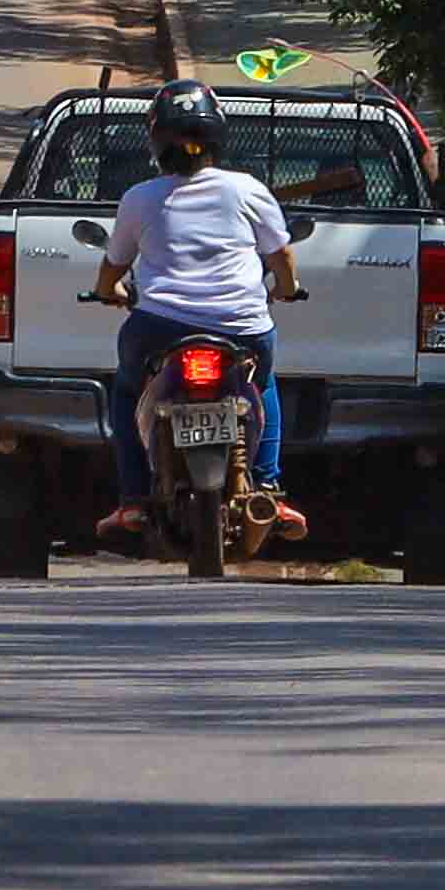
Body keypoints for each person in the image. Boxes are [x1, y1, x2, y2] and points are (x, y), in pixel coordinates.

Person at [90, 85, 305, 547]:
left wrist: (107, 292)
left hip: (158, 327)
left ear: (156, 141)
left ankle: (132, 498)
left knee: (126, 391)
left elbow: (114, 265)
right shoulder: (248, 189)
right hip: (243, 327)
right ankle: (269, 487)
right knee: (263, 385)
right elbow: (282, 256)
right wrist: (285, 290)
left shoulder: (139, 197)